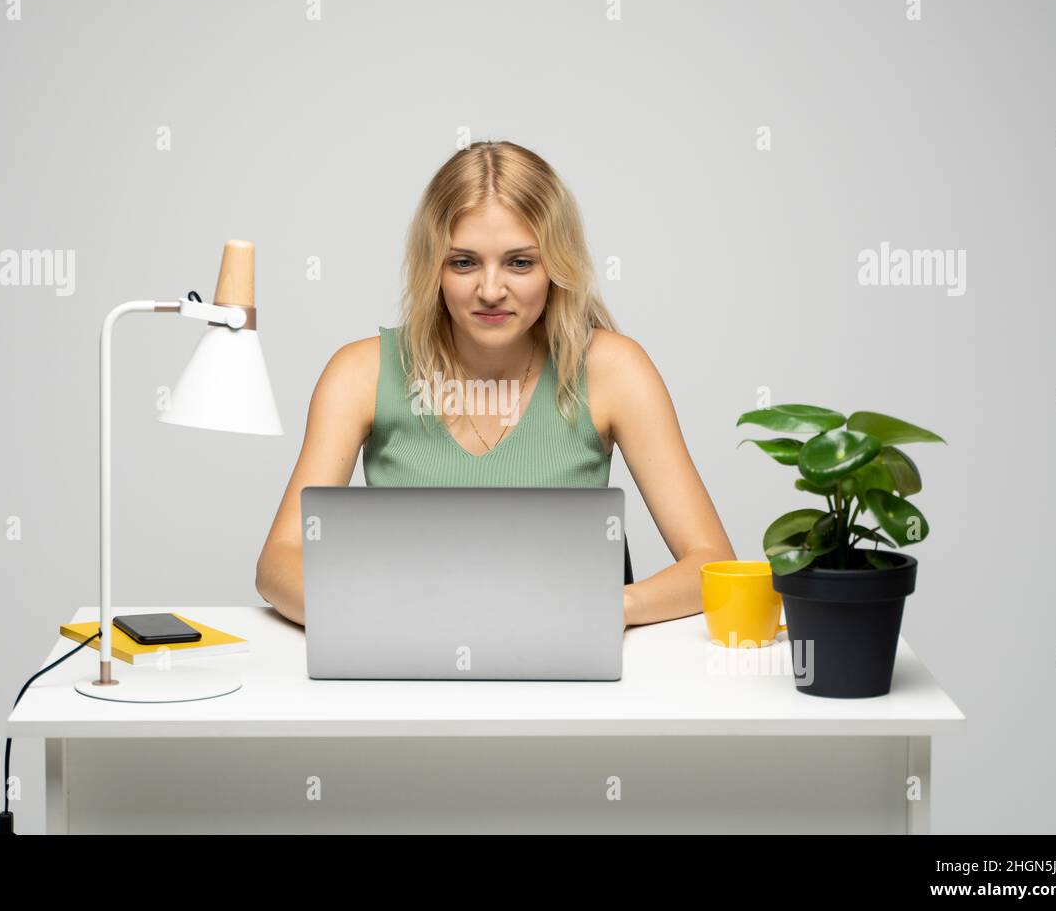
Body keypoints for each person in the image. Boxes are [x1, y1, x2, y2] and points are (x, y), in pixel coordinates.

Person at [255, 140, 735, 628]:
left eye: (520, 262)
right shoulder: (361, 373)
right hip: (408, 662)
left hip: (563, 659)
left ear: (557, 265)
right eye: (463, 262)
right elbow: (278, 562)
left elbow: (712, 563)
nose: (489, 290)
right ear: (432, 268)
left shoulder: (614, 369)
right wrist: (374, 618)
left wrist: (608, 607)